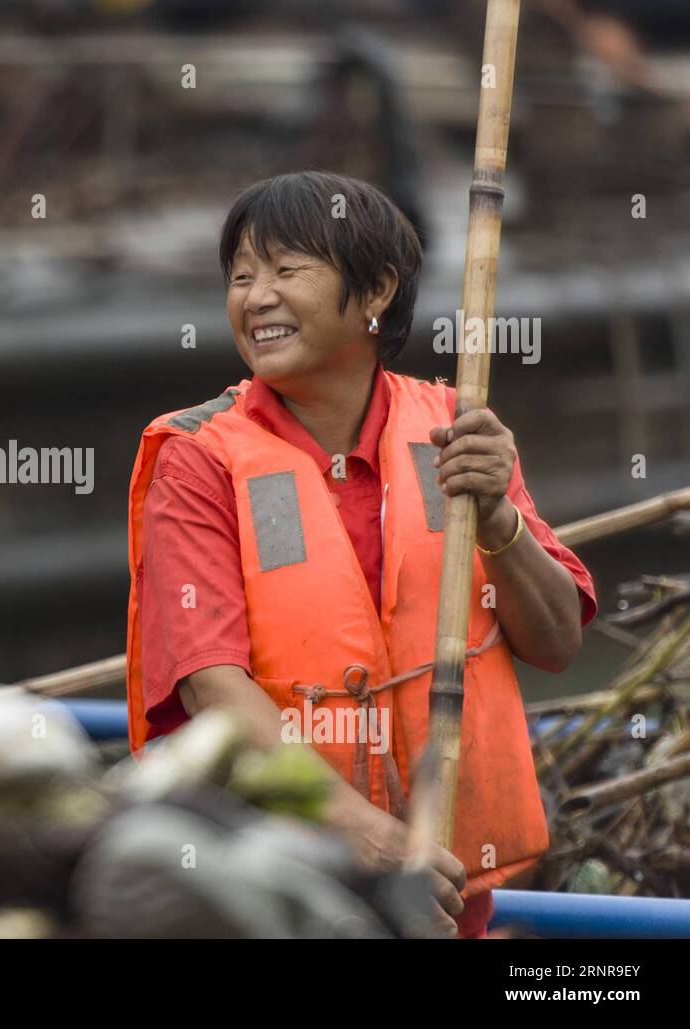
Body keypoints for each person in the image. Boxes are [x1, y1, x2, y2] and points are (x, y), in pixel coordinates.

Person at [125, 171, 596, 937]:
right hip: (284, 887)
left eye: (285, 269)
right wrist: (366, 835)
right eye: (242, 277)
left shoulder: (453, 426)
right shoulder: (199, 456)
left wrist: (500, 515)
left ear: (376, 290)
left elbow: (556, 640)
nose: (255, 297)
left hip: (447, 894)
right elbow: (214, 687)